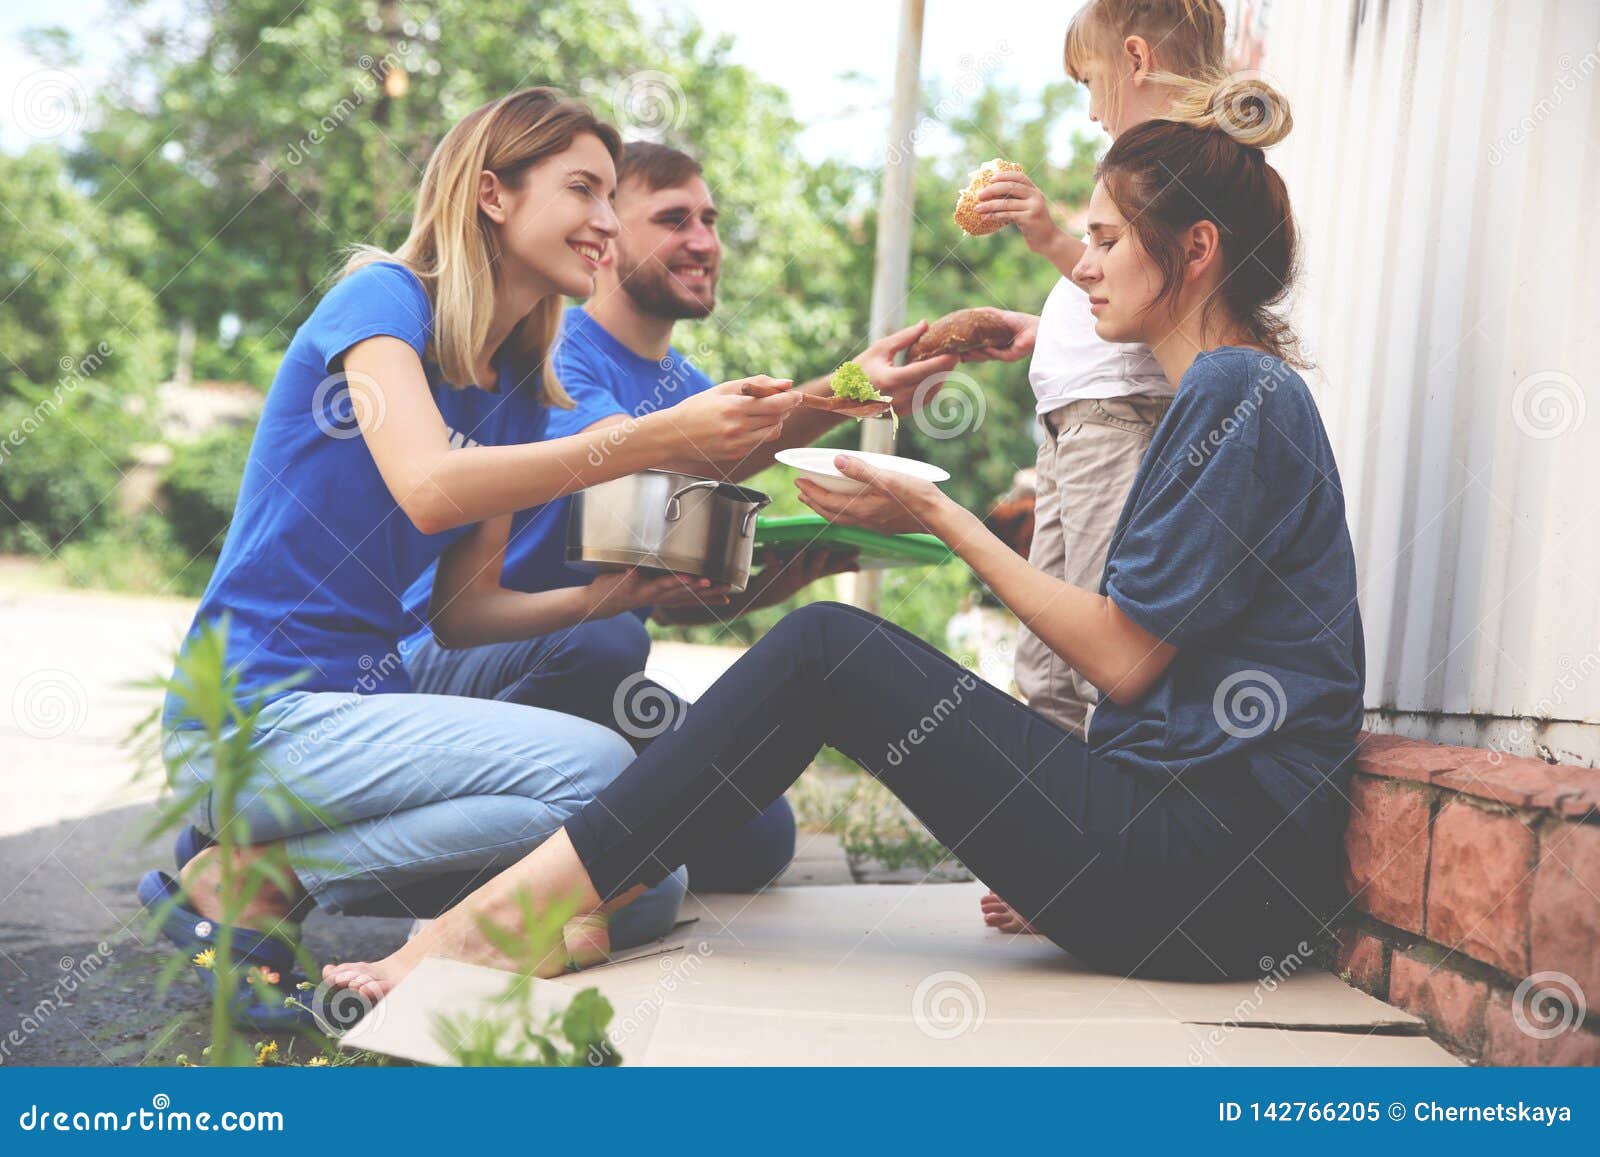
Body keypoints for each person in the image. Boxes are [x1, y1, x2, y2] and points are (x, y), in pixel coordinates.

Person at [323, 74, 1367, 1000]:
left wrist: (935, 515)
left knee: (829, 651)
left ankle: (492, 920)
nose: (1079, 266)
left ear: (1195, 250)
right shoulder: (1221, 395)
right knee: (816, 672)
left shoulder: (1238, 391)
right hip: (1189, 864)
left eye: (1102, 239)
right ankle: (569, 895)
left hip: (1209, 876)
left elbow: (1124, 658)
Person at [143, 88, 807, 1021]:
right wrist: (651, 438)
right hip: (249, 720)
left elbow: (462, 612)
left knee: (645, 874)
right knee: (604, 776)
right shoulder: (381, 303)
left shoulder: (514, 383)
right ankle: (257, 876)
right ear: (493, 194)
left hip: (354, 710)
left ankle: (327, 890)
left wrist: (607, 595)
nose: (607, 223)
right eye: (584, 190)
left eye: (613, 198)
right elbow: (425, 481)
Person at [397, 140, 960, 893]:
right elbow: (644, 460)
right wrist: (847, 390)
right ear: (604, 232)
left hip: (582, 658)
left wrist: (780, 578)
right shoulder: (557, 351)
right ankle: (456, 844)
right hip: (452, 654)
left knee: (758, 831)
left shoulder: (684, 382)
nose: (703, 241)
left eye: (710, 219)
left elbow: (665, 590)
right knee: (603, 642)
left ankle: (549, 848)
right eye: (672, 219)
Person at [953, 0, 1234, 745]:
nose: (1088, 112)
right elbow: (1123, 305)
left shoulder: (1173, 163)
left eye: (1090, 81)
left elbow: (1163, 295)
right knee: (1045, 664)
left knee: (1092, 648)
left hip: (1116, 427)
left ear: (1137, 60)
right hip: (1077, 430)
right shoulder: (1149, 161)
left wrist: (1046, 235)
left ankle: (1102, 833)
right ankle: (1042, 836)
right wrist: (1049, 332)